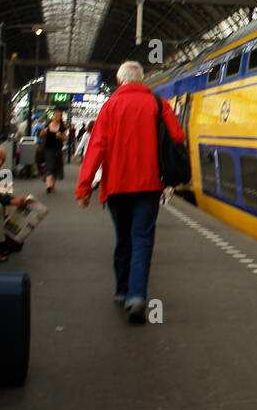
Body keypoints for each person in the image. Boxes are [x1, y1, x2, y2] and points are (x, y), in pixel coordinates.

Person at [76, 61, 185, 323]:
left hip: (116, 186)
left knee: (123, 239)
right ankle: (137, 298)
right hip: (148, 186)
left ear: (120, 80)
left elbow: (97, 148)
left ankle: (122, 291)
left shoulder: (110, 106)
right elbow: (178, 137)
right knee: (142, 241)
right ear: (142, 79)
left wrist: (84, 187)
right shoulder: (159, 104)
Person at [41, 112, 67, 194]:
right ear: (52, 117)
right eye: (55, 116)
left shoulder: (62, 127)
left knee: (56, 166)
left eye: (58, 116)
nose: (56, 117)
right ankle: (48, 185)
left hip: (58, 149)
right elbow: (41, 135)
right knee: (49, 166)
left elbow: (64, 138)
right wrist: (43, 132)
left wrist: (61, 137)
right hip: (48, 148)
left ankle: (52, 185)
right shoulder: (47, 125)